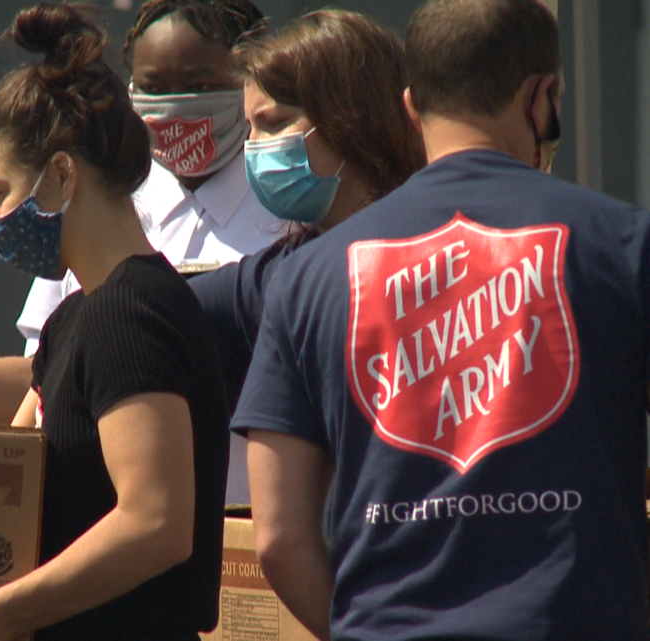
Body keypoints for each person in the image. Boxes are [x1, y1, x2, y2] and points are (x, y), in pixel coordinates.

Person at [0, 8, 424, 507]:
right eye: (154, 85)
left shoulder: (345, 241)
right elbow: (60, 369)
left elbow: (162, 522)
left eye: (204, 85)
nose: (257, 145)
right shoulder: (255, 275)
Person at [233, 1, 650, 639]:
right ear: (542, 96)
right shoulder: (625, 245)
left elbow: (279, 537)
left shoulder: (305, 277)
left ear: (410, 105)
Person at [0, 4, 227, 639]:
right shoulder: (76, 317)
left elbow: (155, 522)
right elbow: (8, 465)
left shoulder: (131, 314)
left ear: (63, 172)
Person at [189, 9, 424, 503]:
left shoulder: (431, 248)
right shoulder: (282, 274)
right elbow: (158, 309)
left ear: (349, 119)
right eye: (249, 128)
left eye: (273, 123)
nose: (254, 149)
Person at [15, 0, 280, 358]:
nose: (175, 105)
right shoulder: (90, 201)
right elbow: (40, 372)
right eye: (155, 89)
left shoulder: (287, 211)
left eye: (200, 86)